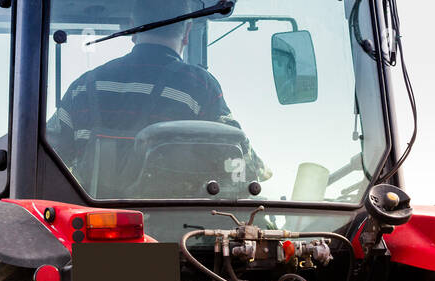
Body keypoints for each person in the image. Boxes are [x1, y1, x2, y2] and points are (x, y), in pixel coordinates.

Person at [47, 0, 269, 192]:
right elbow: (239, 156)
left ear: (133, 27)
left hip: (91, 234)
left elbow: (47, 159)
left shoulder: (85, 86)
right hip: (174, 233)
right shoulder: (200, 86)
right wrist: (260, 171)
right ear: (188, 31)